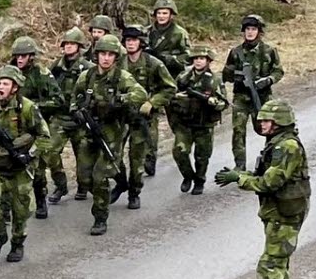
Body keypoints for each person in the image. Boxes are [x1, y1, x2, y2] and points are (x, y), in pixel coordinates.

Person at [215, 98, 310, 279]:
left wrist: (240, 179)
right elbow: (265, 176)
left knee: (270, 266)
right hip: (280, 212)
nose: (262, 124)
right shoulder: (278, 144)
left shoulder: (286, 147)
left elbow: (270, 183)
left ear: (279, 122)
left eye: (267, 120)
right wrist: (241, 175)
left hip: (283, 214)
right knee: (279, 266)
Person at [0, 65, 49, 263]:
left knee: (21, 209)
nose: (1, 87)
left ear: (15, 87)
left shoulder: (27, 108)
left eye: (5, 84)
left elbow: (44, 136)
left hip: (20, 168)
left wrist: (30, 154)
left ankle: (17, 243)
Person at [76, 36, 147, 235]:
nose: (106, 58)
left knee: (100, 177)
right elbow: (75, 99)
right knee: (84, 177)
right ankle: (120, 180)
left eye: (110, 55)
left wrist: (119, 100)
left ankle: (100, 217)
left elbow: (140, 94)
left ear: (116, 57)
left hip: (112, 131)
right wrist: (78, 112)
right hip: (89, 131)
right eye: (102, 54)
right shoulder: (87, 76)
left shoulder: (121, 77)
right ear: (96, 55)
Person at [9, 37, 65, 217]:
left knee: (39, 166)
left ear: (31, 56)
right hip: (15, 124)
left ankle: (41, 200)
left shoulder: (41, 73)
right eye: (17, 56)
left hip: (39, 123)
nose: (19, 59)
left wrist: (34, 106)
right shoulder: (9, 73)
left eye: (23, 56)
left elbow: (58, 100)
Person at [223, 15, 285, 171]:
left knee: (268, 130)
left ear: (259, 31)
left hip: (262, 97)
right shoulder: (236, 52)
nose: (250, 33)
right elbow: (226, 75)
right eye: (247, 30)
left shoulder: (269, 51)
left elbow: (278, 71)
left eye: (253, 29)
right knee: (238, 131)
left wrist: (267, 80)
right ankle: (240, 164)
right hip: (241, 98)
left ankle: (269, 160)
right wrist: (238, 75)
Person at [165, 46, 228, 194]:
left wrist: (213, 102)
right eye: (195, 59)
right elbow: (170, 95)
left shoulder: (215, 80)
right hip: (184, 123)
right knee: (179, 152)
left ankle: (199, 180)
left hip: (204, 124)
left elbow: (224, 103)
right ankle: (188, 176)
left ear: (208, 61)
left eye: (201, 58)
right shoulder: (183, 77)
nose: (198, 61)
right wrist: (178, 98)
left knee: (202, 156)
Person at [121, 25, 174, 182]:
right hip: (123, 113)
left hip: (146, 114)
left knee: (147, 151)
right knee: (114, 151)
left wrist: (152, 102)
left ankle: (142, 171)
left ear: (141, 42)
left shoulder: (153, 64)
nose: (130, 43)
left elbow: (170, 88)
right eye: (128, 40)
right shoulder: (118, 63)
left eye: (134, 40)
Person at [50, 27, 93, 201]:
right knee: (50, 151)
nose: (68, 47)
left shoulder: (88, 68)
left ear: (79, 46)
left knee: (84, 160)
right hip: (61, 118)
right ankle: (60, 185)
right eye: (66, 43)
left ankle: (83, 185)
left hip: (81, 120)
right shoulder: (56, 67)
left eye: (72, 44)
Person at [146, 0, 192, 77]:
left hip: (171, 72)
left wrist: (171, 59)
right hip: (149, 70)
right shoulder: (147, 31)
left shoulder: (179, 33)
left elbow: (188, 55)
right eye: (159, 13)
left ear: (171, 15)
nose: (161, 16)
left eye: (165, 13)